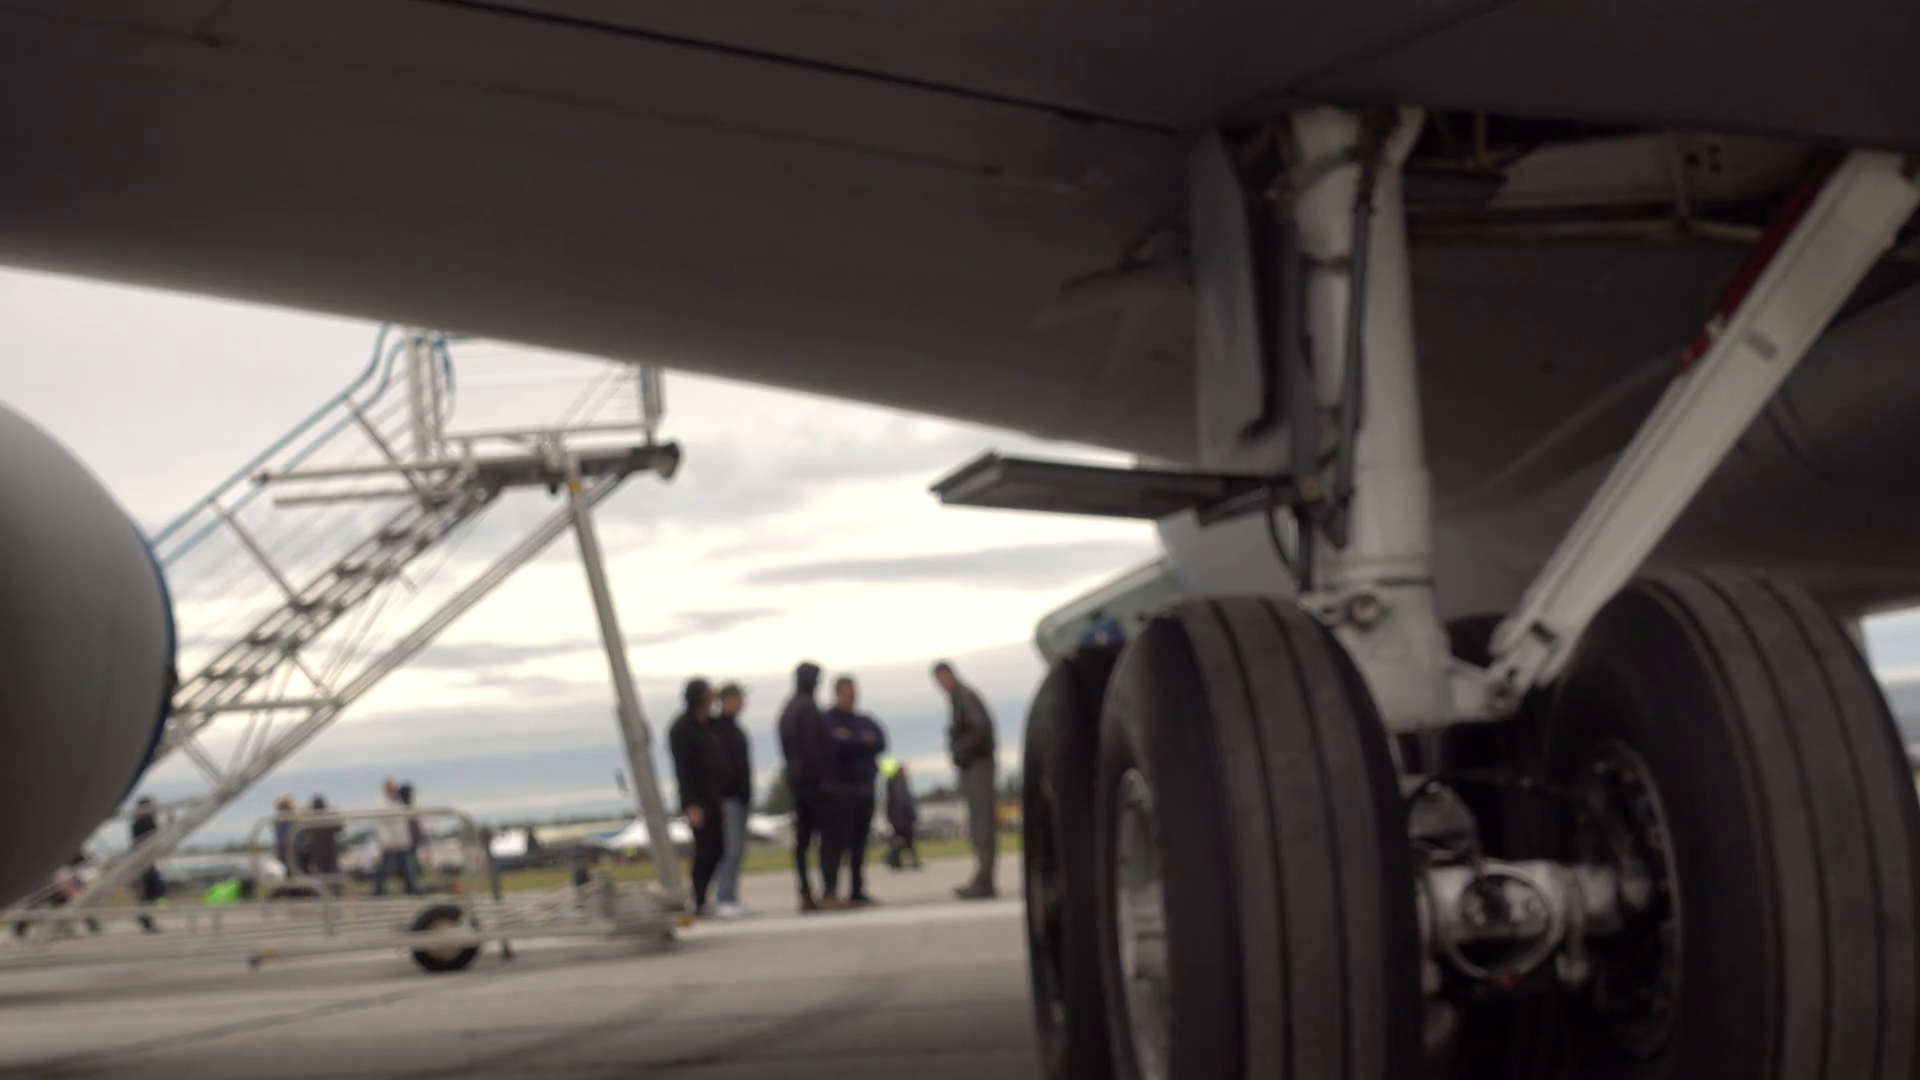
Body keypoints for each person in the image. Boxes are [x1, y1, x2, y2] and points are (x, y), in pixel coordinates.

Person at [819, 675, 886, 909]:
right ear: (837, 694)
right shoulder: (827, 720)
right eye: (846, 692)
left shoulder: (865, 720)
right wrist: (861, 742)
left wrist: (852, 740)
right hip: (839, 791)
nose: (851, 697)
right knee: (836, 843)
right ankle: (830, 891)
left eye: (854, 692)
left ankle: (857, 890)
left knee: (860, 843)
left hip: (864, 789)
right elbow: (835, 746)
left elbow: (880, 742)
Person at [935, 660, 999, 899]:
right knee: (978, 823)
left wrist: (960, 750)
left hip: (978, 764)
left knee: (982, 824)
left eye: (942, 679)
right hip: (974, 764)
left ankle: (985, 879)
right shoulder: (959, 698)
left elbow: (980, 729)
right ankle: (983, 877)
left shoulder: (966, 697)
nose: (942, 685)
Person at [777, 661, 835, 912]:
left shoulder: (788, 709)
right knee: (825, 838)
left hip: (796, 779)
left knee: (802, 841)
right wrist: (824, 777)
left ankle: (804, 890)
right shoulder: (808, 708)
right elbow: (815, 747)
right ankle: (828, 890)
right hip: (814, 783)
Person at [668, 678, 729, 915]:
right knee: (705, 848)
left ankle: (703, 894)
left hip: (714, 796)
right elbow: (682, 769)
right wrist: (690, 804)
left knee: (719, 848)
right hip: (698, 798)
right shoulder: (683, 728)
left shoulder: (709, 725)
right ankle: (699, 897)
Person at [712, 683, 754, 919]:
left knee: (738, 850)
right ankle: (724, 896)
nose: (741, 704)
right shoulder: (718, 729)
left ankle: (732, 895)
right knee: (730, 848)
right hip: (728, 797)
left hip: (741, 796)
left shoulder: (737, 729)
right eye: (737, 699)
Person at [372, 778, 422, 896]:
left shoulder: (396, 802)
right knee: (387, 869)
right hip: (391, 843)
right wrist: (385, 841)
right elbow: (381, 825)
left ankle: (412, 888)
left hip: (402, 841)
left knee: (408, 867)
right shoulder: (382, 804)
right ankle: (378, 890)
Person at [130, 795, 165, 933]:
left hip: (145, 860)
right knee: (154, 887)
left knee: (152, 889)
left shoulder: (138, 822)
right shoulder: (145, 823)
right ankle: (144, 917)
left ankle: (145, 917)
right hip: (144, 861)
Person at [881, 760, 921, 871]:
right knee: (905, 840)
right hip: (902, 818)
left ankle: (896, 860)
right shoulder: (899, 783)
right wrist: (912, 815)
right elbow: (904, 802)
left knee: (902, 840)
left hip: (898, 818)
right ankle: (896, 859)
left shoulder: (892, 783)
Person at [305, 795, 345, 896]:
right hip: (329, 854)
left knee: (321, 883)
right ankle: (335, 901)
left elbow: (304, 832)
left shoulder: (311, 821)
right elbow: (339, 827)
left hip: (318, 855)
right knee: (333, 882)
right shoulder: (327, 819)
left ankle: (324, 902)